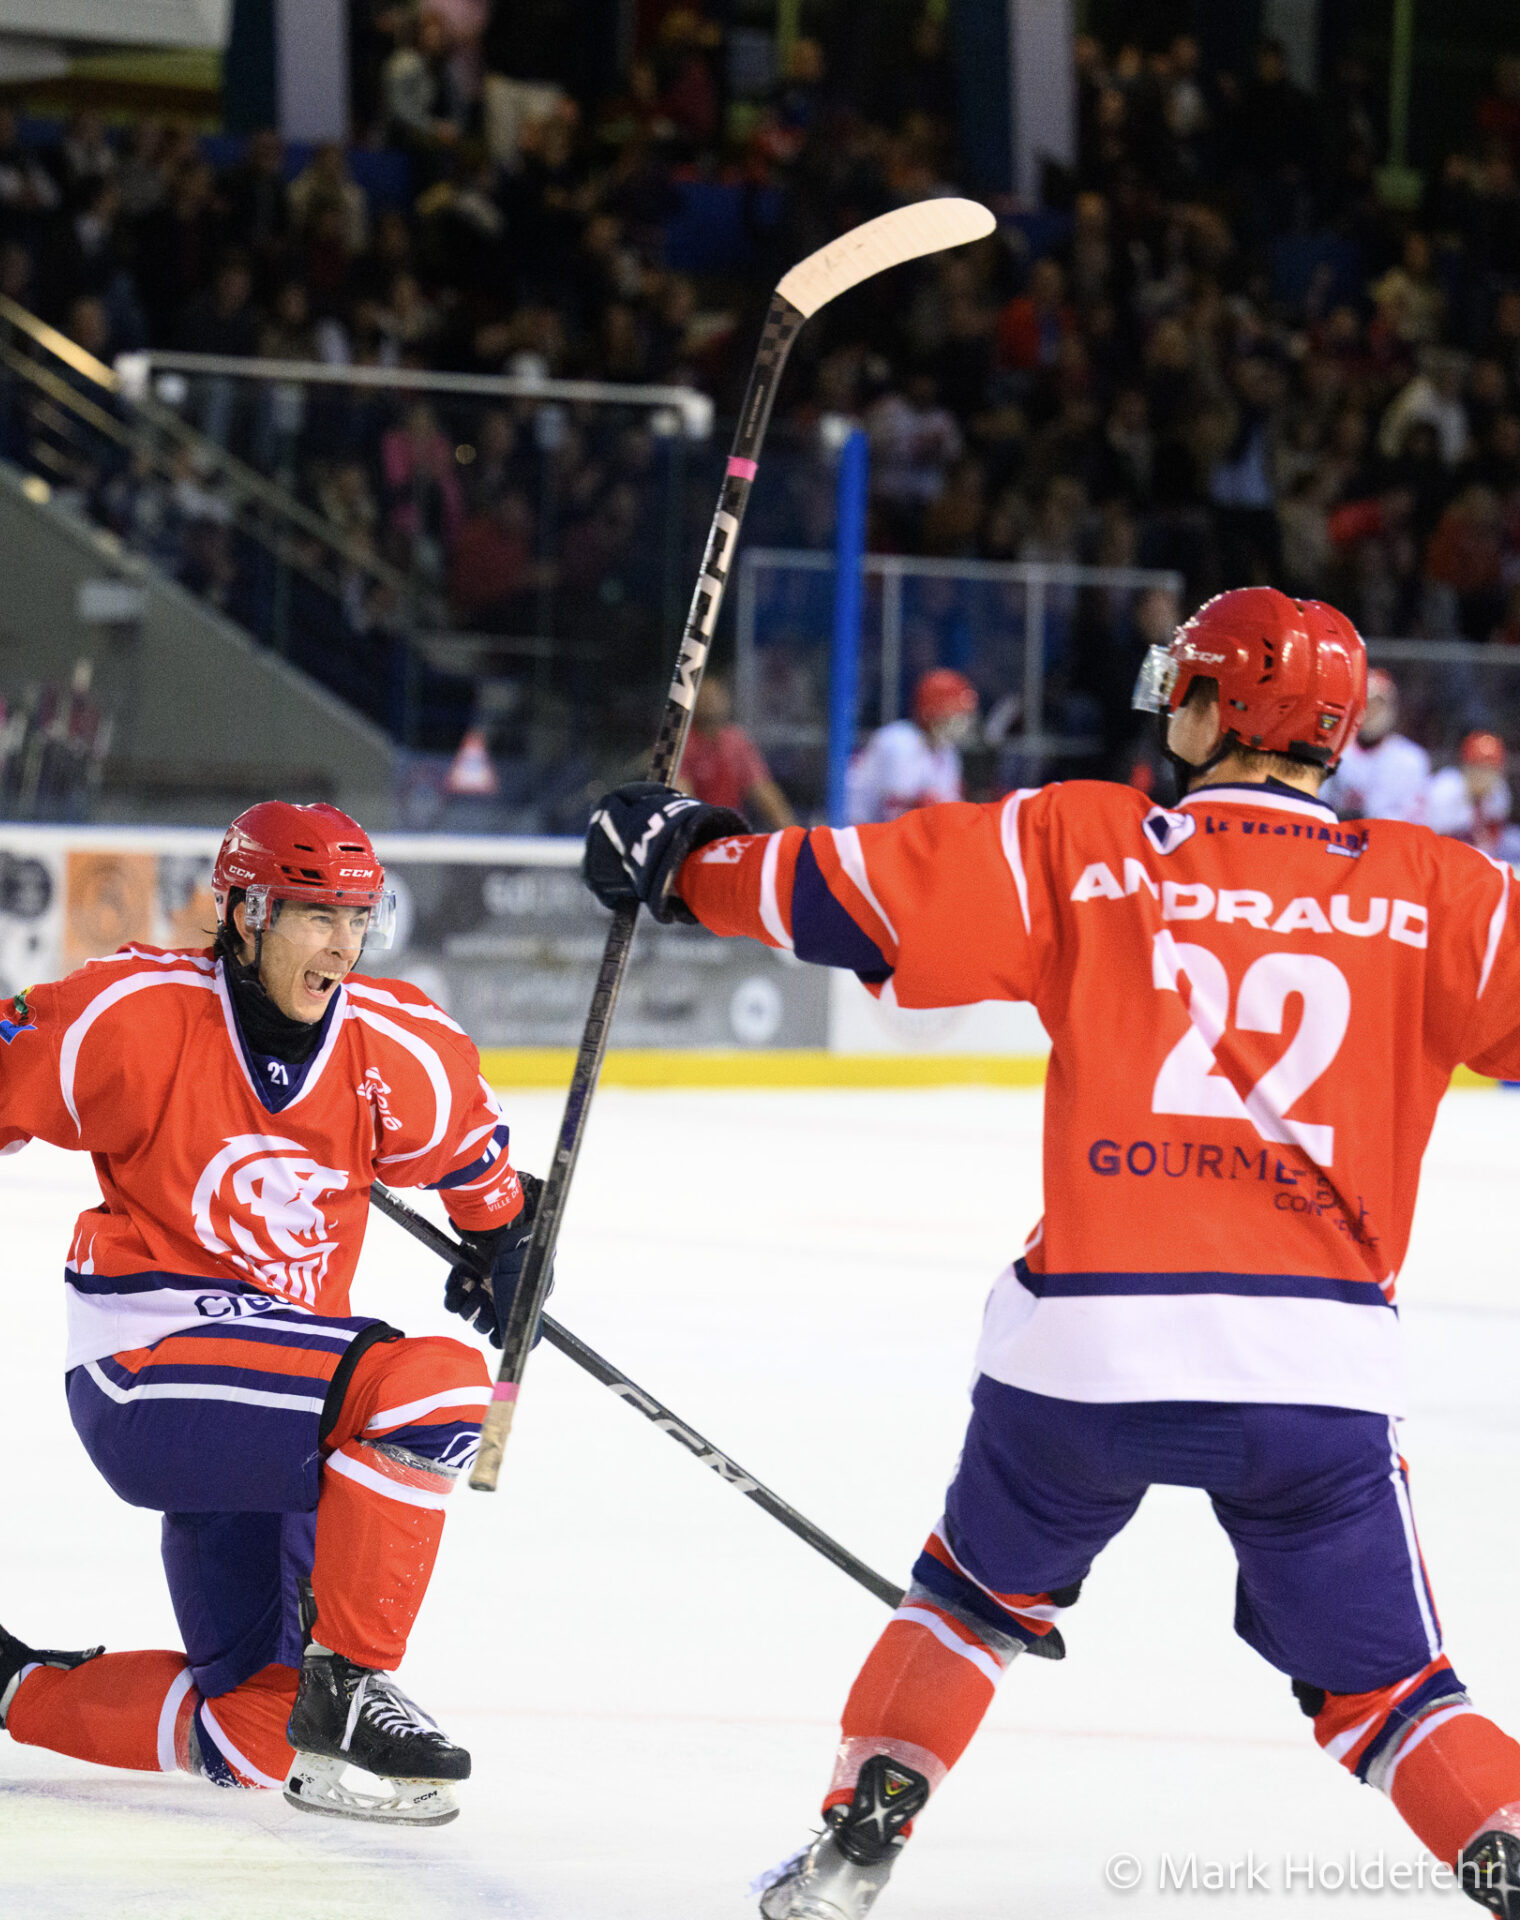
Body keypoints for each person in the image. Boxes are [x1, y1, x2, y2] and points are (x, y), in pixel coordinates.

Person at [583, 589, 1520, 1920]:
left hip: (1086, 1352)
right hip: (1316, 1370)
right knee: (1397, 1697)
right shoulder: (1444, 894)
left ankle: (859, 1839)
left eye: (1184, 687)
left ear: (1218, 709)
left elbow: (855, 900)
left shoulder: (1088, 842)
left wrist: (683, 862)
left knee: (967, 1598)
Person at [0, 802, 544, 1826]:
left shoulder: (396, 1047)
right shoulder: (138, 1015)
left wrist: (507, 1238)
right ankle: (355, 1685)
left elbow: (471, 1151)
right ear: (245, 913)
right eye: (313, 916)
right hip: (149, 1362)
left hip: (285, 1402)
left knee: (260, 1728)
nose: (341, 943)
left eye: (356, 917)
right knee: (431, 1387)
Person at [843, 668, 976, 824]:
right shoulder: (898, 741)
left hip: (889, 834)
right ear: (930, 713)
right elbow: (898, 814)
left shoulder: (947, 752)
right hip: (857, 831)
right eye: (952, 715)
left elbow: (951, 809)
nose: (960, 723)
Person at [677, 674, 795, 829]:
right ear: (693, 700)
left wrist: (792, 835)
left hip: (731, 832)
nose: (710, 701)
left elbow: (764, 791)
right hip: (695, 834)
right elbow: (682, 802)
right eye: (704, 696)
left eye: (715, 695)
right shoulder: (682, 743)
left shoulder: (736, 741)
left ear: (726, 700)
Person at [1324, 668, 1430, 822]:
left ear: (1391, 707)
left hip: (1387, 841)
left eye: (1377, 703)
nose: (1371, 711)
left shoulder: (1411, 759)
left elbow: (1413, 821)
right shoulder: (1332, 750)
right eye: (1366, 703)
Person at [1427, 730, 1514, 856]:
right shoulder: (1445, 789)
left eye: (1491, 769)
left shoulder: (1499, 789)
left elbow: (1493, 839)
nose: (1484, 776)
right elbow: (1434, 841)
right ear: (1465, 766)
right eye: (1477, 768)